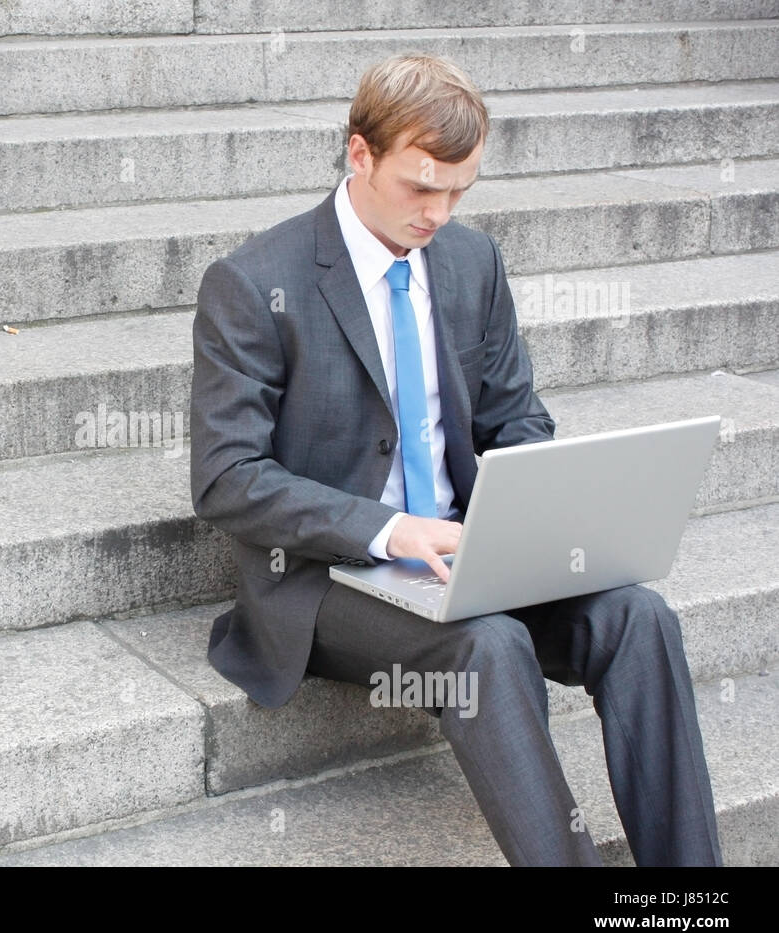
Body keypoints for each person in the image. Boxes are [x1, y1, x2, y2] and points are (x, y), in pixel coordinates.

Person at [189, 52, 722, 866]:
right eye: (421, 186)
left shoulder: (473, 263)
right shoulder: (254, 281)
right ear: (359, 154)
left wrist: (537, 510)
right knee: (490, 646)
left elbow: (517, 419)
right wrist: (390, 529)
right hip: (327, 576)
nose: (439, 212)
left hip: (470, 550)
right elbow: (227, 477)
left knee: (639, 617)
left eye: (460, 190)